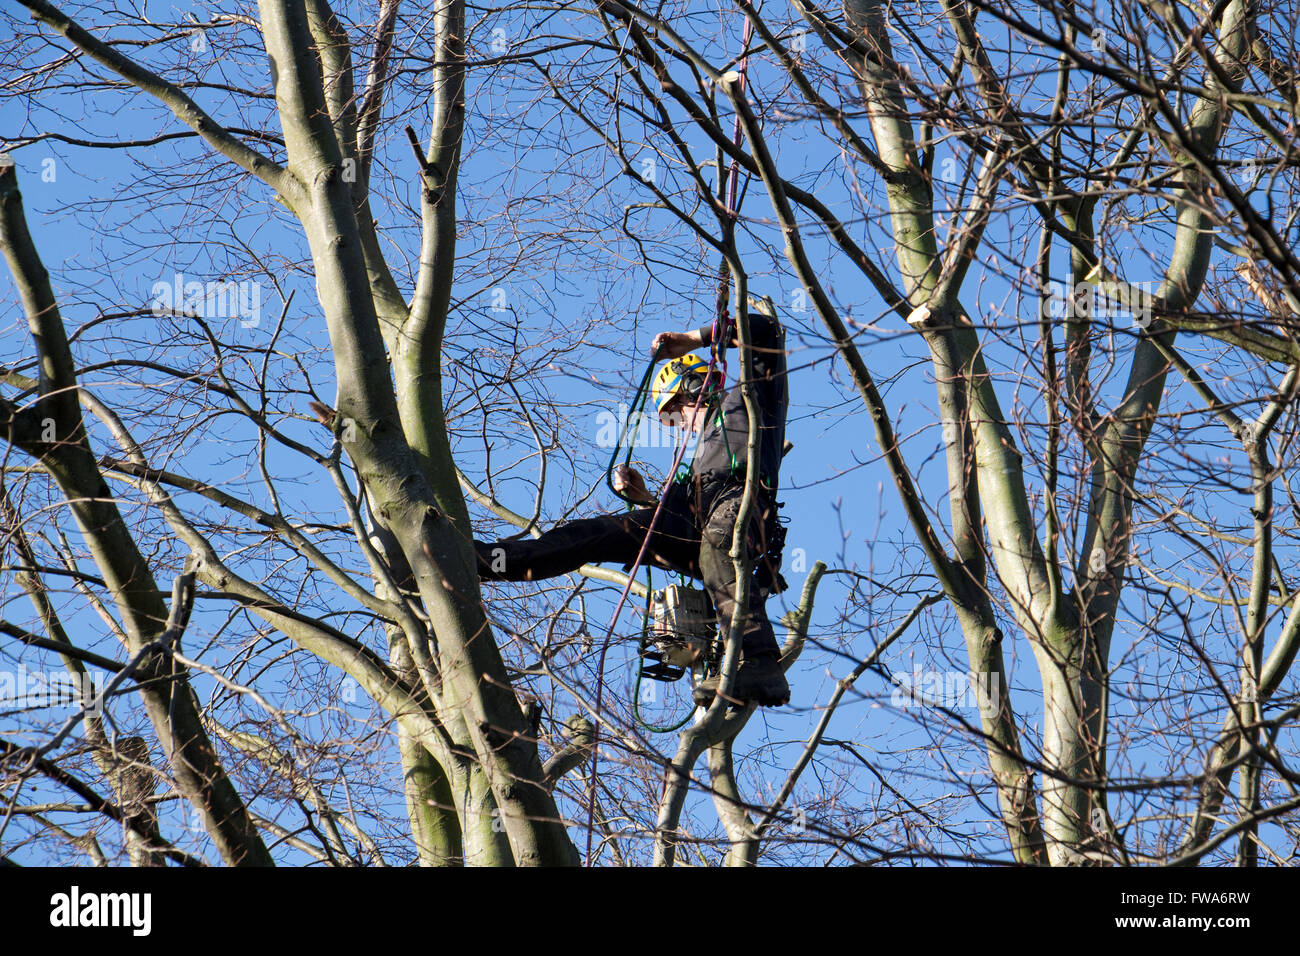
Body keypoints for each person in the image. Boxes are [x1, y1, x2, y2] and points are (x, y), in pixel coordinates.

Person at [474, 307, 790, 707]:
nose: (680, 428)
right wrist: (645, 501)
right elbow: (687, 526)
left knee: (717, 548)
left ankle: (759, 661)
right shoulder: (704, 447)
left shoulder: (748, 399)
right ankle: (485, 561)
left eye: (675, 415)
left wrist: (692, 339)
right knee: (594, 534)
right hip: (696, 518)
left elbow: (764, 329)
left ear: (695, 385)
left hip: (738, 502)